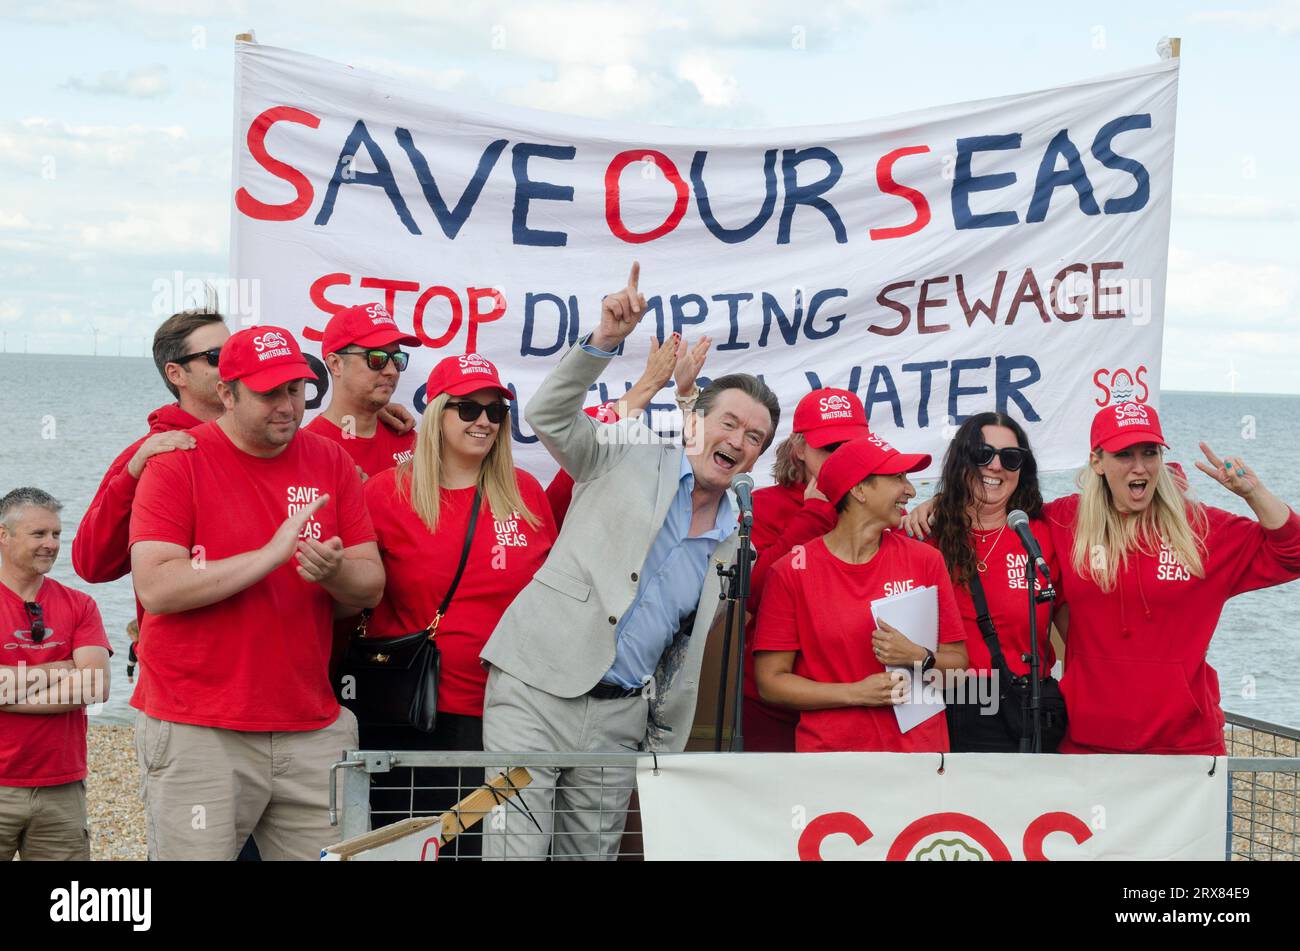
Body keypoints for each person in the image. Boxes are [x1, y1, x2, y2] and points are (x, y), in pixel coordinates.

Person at [480, 262, 779, 860]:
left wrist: (656, 721)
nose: (739, 441)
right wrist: (604, 342)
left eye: (755, 437)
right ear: (696, 423)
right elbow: (548, 418)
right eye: (730, 423)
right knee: (515, 852)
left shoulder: (733, 537)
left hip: (620, 721)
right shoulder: (628, 450)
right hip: (536, 689)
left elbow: (683, 643)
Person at [128, 326, 384, 860]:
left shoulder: (329, 460)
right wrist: (270, 556)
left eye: (296, 390)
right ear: (227, 393)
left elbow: (370, 585)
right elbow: (157, 586)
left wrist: (332, 571)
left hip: (310, 724)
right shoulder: (177, 460)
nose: (287, 406)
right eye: (269, 393)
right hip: (199, 725)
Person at [354, 353, 557, 853]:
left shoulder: (526, 493)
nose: (484, 421)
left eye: (495, 411)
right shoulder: (386, 494)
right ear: (438, 413)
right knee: (408, 849)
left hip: (509, 715)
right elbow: (350, 595)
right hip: (415, 715)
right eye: (467, 408)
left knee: (485, 850)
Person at [1039, 403, 1300, 755]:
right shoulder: (1065, 520)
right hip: (1088, 744)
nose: (1140, 466)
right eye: (1124, 454)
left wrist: (1253, 493)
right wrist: (939, 504)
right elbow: (990, 525)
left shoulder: (1203, 530)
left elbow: (1292, 553)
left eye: (1150, 453)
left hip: (1187, 751)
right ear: (1097, 462)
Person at [753, 435, 968, 753]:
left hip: (919, 756)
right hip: (833, 759)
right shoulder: (791, 571)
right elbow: (770, 683)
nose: (909, 490)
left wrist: (918, 656)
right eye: (897, 478)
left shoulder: (926, 560)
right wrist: (856, 693)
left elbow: (959, 667)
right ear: (858, 489)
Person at [912, 413, 1062, 752]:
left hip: (1027, 712)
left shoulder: (1046, 531)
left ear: (1023, 469)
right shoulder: (925, 535)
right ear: (961, 458)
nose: (995, 466)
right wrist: (937, 502)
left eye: (1010, 458)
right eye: (982, 454)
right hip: (953, 708)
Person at [742, 388, 871, 752]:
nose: (840, 458)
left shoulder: (878, 502)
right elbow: (753, 592)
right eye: (829, 448)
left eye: (850, 446)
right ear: (799, 449)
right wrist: (813, 513)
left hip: (857, 696)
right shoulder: (761, 505)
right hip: (775, 704)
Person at [72, 308, 230, 586]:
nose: (232, 365)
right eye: (217, 357)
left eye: (234, 353)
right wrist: (131, 476)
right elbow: (91, 563)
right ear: (176, 373)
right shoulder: (149, 453)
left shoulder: (266, 439)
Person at [0, 488, 111, 861]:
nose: (51, 544)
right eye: (38, 534)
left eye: (56, 534)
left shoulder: (80, 604)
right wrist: (62, 668)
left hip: (61, 787)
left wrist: (9, 688)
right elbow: (81, 679)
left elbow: (96, 685)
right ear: (4, 535)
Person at [544, 333, 710, 528]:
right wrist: (651, 381)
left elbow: (700, 463)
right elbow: (604, 434)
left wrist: (687, 394)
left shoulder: (651, 486)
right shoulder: (581, 458)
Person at [304, 302, 422, 480]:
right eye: (376, 358)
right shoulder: (306, 450)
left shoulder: (410, 439)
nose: (391, 371)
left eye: (397, 359)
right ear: (336, 364)